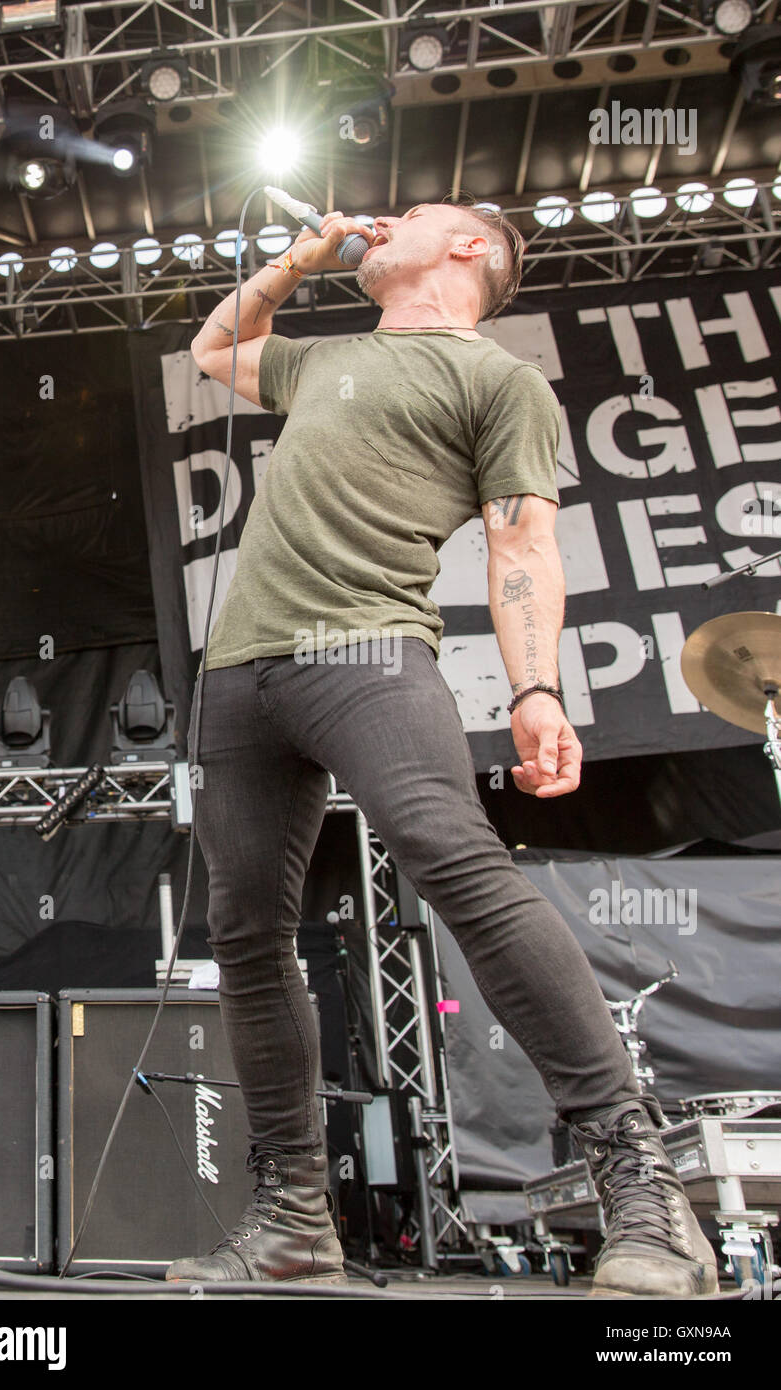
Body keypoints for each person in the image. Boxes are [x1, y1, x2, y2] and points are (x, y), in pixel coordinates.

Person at [165, 200, 718, 1298]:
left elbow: (521, 541)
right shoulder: (324, 359)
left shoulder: (497, 380)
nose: (380, 222)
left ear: (467, 248)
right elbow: (215, 346)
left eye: (410, 214)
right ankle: (289, 1222)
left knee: (452, 860)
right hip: (240, 671)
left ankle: (642, 1193)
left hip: (369, 651)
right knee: (243, 930)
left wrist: (535, 689)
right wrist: (299, 258)